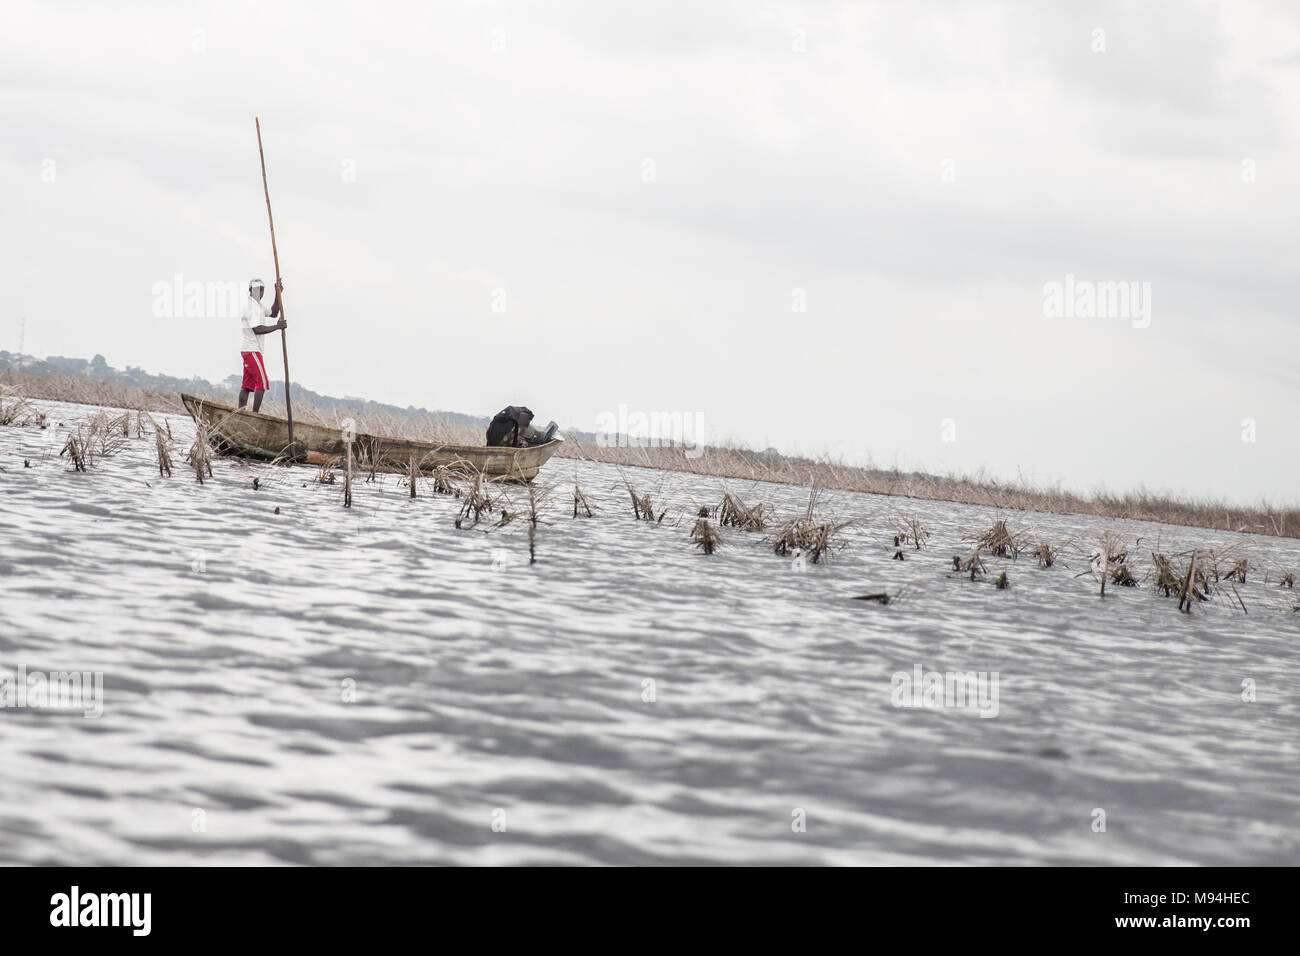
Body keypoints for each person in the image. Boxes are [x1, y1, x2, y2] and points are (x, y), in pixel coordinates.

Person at [238, 277, 284, 412]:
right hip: (252, 350)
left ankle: (240, 412)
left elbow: (274, 313)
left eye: (262, 290)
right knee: (262, 384)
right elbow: (257, 329)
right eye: (257, 289)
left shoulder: (259, 306)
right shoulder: (250, 307)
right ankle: (255, 415)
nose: (260, 292)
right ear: (250, 290)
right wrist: (277, 327)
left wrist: (278, 293)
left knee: (247, 385)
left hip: (251, 350)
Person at [486, 405, 558, 447]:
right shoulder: (520, 423)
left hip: (495, 445)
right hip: (505, 446)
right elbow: (540, 437)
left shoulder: (500, 420)